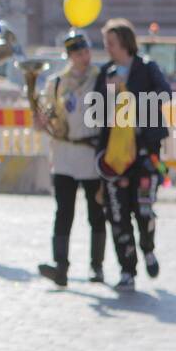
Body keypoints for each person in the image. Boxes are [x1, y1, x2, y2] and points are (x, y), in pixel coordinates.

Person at [92, 18, 171, 291]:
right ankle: (127, 270)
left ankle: (148, 248)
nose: (107, 48)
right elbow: (96, 114)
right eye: (106, 43)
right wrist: (109, 92)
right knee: (117, 212)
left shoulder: (146, 68)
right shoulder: (105, 73)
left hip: (143, 153)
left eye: (111, 43)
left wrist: (132, 98)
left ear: (125, 43)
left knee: (144, 209)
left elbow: (165, 95)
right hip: (115, 157)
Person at [34, 31, 106, 286]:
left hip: (90, 154)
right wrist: (41, 119)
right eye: (77, 54)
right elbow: (48, 114)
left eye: (85, 52)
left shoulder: (101, 78)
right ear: (69, 56)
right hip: (64, 154)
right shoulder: (56, 83)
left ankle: (97, 266)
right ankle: (60, 266)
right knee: (63, 212)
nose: (83, 57)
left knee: (96, 211)